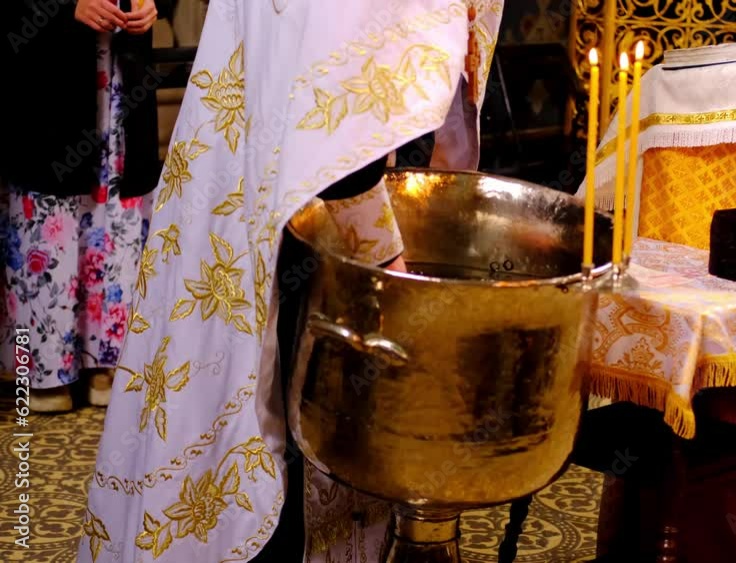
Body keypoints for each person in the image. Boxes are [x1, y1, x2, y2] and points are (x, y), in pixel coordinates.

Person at [80, 1, 503, 561]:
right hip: (304, 224)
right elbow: (339, 129)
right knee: (288, 447)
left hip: (265, 181)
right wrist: (393, 269)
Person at [0, 0, 172, 412]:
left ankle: (105, 361)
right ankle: (41, 371)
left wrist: (155, 3)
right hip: (47, 75)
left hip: (122, 79)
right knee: (48, 224)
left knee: (114, 219)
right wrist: (68, 9)